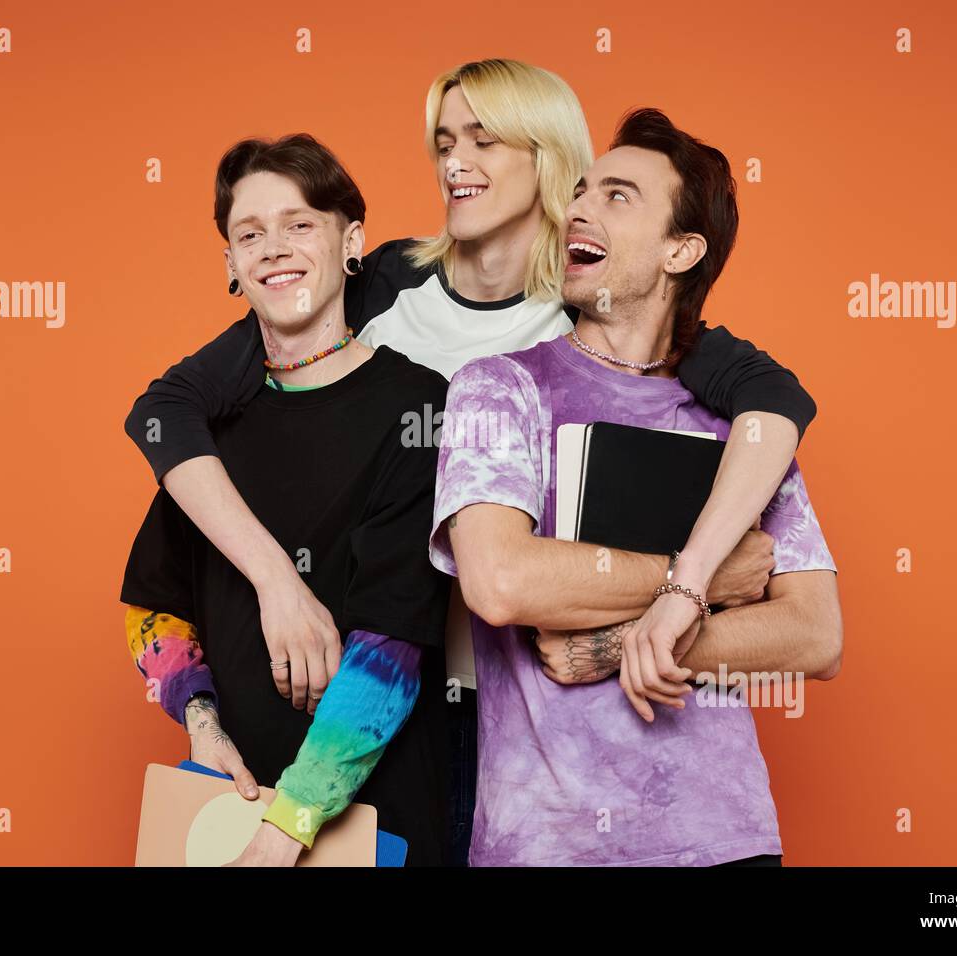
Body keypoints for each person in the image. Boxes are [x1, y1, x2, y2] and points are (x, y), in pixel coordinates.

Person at [123, 60, 820, 866]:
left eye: (483, 139)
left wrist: (690, 581)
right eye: (445, 141)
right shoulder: (375, 284)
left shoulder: (595, 309)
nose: (454, 162)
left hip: (529, 715)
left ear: (551, 160)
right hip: (407, 708)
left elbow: (774, 401)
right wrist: (276, 582)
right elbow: (164, 411)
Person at [429, 108, 843, 866]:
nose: (579, 207)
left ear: (682, 250)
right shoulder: (498, 390)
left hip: (727, 840)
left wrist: (618, 643)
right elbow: (499, 582)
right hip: (546, 844)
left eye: (617, 196)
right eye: (581, 191)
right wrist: (714, 577)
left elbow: (816, 634)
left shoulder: (736, 426)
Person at [120, 133, 451, 866]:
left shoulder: (421, 405)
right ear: (231, 265)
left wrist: (287, 827)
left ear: (351, 241)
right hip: (223, 809)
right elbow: (150, 606)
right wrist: (202, 727)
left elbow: (392, 649)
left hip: (371, 821)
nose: (274, 246)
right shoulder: (206, 429)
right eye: (250, 233)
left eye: (300, 224)